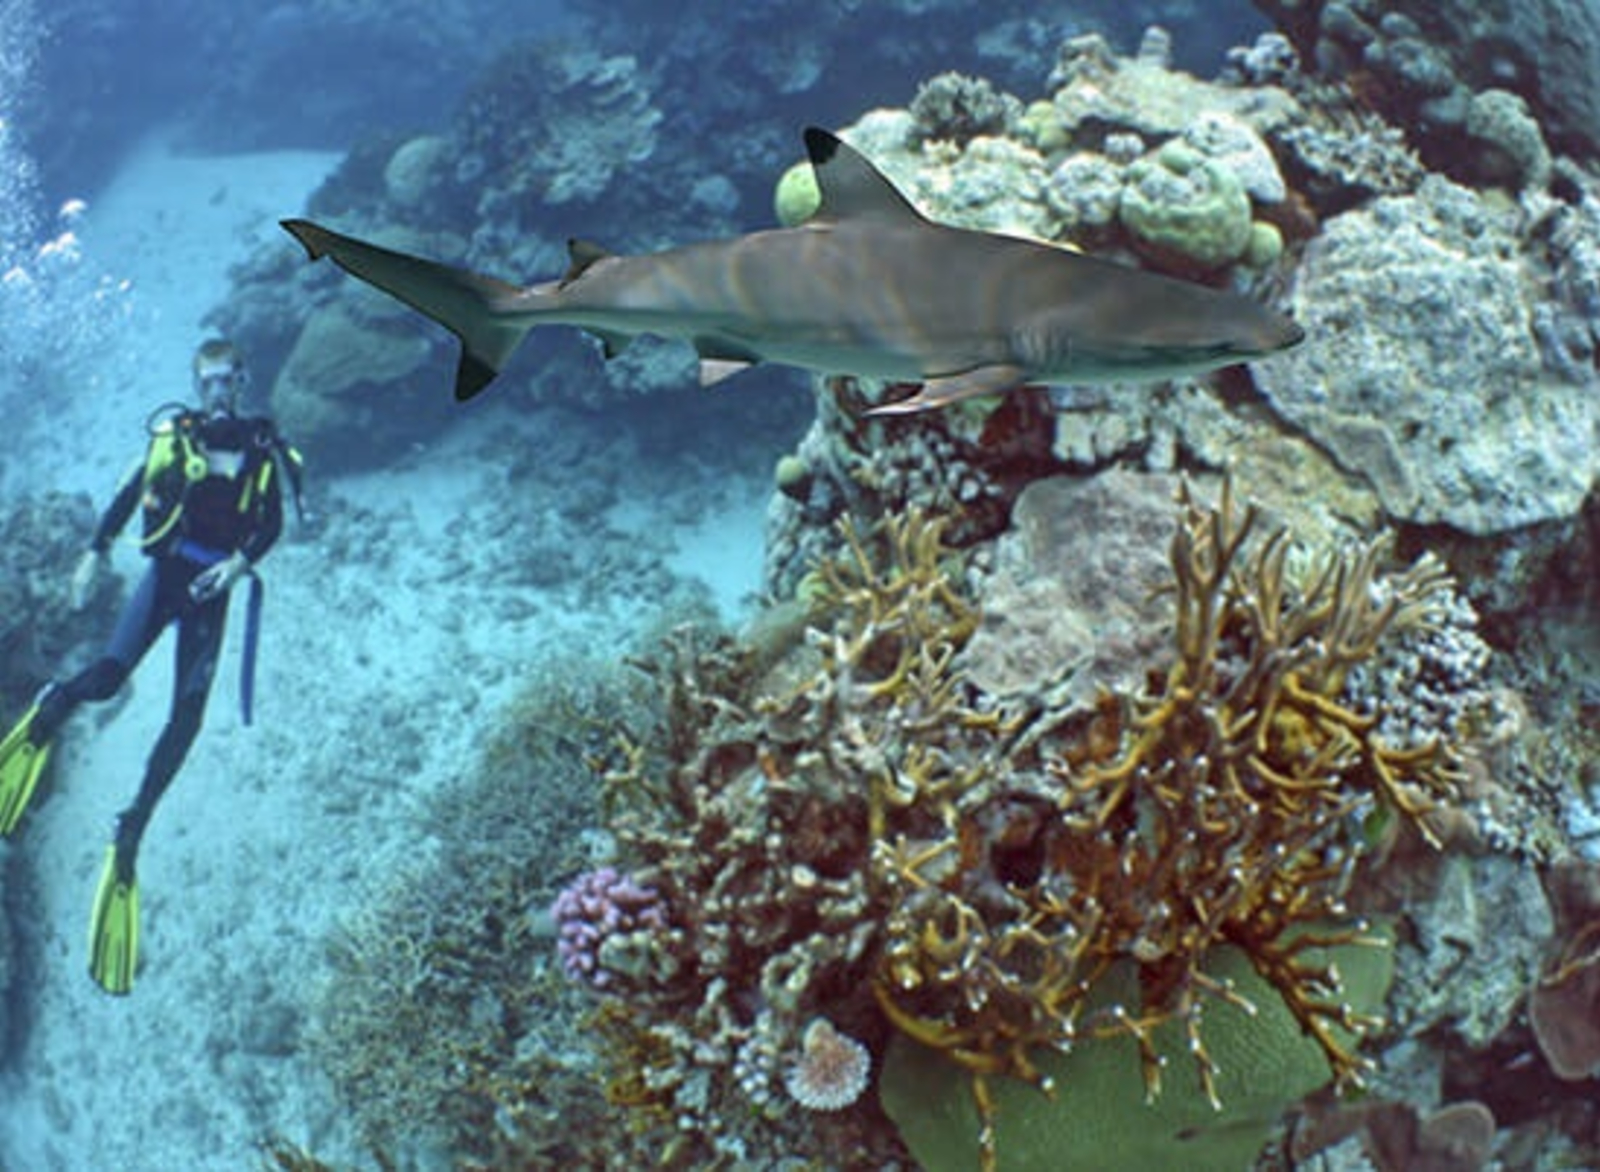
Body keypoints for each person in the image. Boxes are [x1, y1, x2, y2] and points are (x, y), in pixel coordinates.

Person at [0, 338, 302, 994]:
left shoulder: (259, 443)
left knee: (187, 720)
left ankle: (131, 827)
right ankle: (52, 708)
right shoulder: (176, 436)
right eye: (209, 380)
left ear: (243, 379)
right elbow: (131, 491)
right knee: (108, 678)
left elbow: (272, 522)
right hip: (166, 576)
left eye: (228, 378)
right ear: (196, 384)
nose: (219, 390)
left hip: (210, 592)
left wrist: (237, 566)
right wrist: (94, 550)